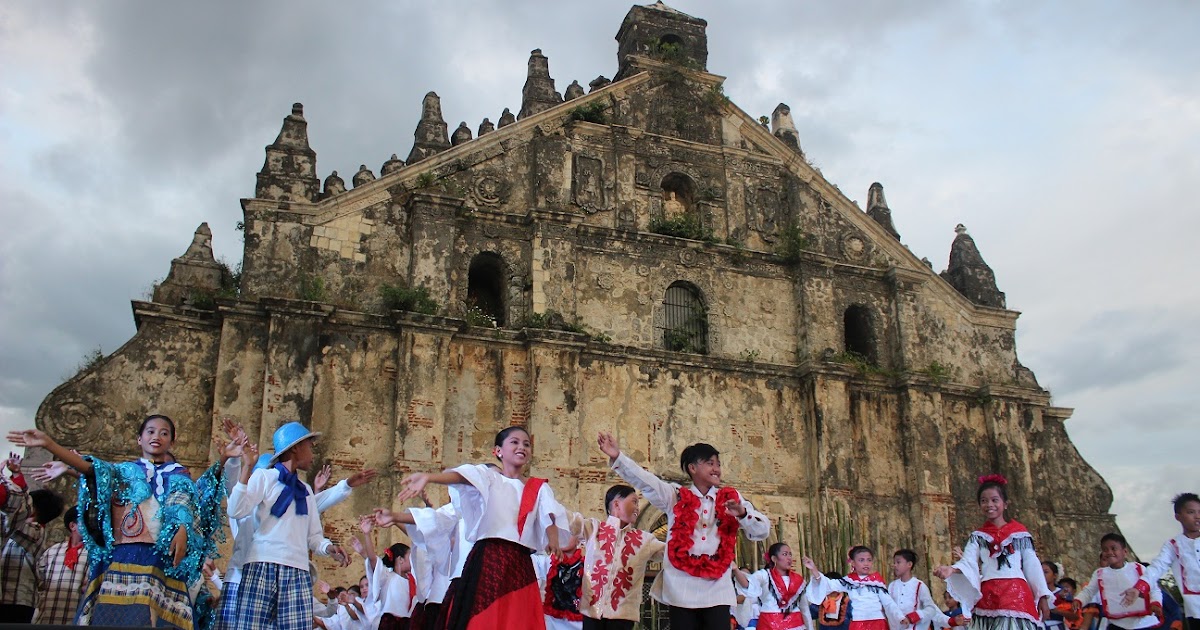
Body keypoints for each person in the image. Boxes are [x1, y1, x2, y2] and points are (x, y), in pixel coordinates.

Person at [8, 416, 228, 629]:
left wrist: (223, 461)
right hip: (125, 554)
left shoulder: (179, 474)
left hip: (164, 560)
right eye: (150, 431)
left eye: (164, 433)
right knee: (119, 615)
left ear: (172, 441)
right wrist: (50, 444)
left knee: (157, 617)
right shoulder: (124, 471)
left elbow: (191, 504)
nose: (157, 436)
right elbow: (92, 470)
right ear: (139, 439)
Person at [396, 426, 570, 630]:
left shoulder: (539, 487)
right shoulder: (489, 477)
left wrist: (554, 540)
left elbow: (549, 515)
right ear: (498, 451)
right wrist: (429, 477)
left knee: (517, 619)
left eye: (526, 444)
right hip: (489, 557)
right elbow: (463, 477)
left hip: (520, 562)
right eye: (514, 442)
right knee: (482, 618)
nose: (521, 447)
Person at [599, 431, 770, 629]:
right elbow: (646, 481)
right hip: (681, 590)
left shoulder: (730, 498)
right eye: (710, 463)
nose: (716, 469)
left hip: (718, 591)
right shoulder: (675, 496)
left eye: (718, 464)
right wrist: (617, 457)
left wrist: (742, 514)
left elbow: (762, 530)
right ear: (693, 468)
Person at [226, 421, 350, 630]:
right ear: (295, 447)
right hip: (261, 564)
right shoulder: (265, 477)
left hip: (297, 571)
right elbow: (235, 510)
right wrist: (247, 466)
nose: (312, 452)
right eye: (309, 446)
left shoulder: (306, 491)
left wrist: (328, 548)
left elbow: (313, 537)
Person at [933, 474, 1053, 630]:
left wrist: (1042, 596)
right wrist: (951, 569)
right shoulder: (978, 536)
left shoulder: (1019, 534)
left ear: (1005, 504)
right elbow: (968, 561)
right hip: (989, 595)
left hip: (1016, 594)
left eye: (994, 500)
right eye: (984, 501)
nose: (989, 504)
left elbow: (1032, 565)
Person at [558, 483, 665, 630]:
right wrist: (542, 498)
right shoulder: (593, 529)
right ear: (616, 504)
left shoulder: (645, 540)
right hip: (592, 613)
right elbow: (567, 519)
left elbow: (673, 554)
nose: (637, 508)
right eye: (634, 501)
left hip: (623, 617)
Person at [1, 452, 65, 623]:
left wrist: (9, 480)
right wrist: (16, 475)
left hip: (17, 600)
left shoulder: (36, 531)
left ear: (33, 509)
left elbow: (14, 512)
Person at [804, 546, 906, 630]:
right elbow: (828, 584)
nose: (866, 563)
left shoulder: (877, 582)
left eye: (869, 560)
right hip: (858, 623)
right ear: (853, 563)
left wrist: (900, 617)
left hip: (878, 623)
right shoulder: (848, 581)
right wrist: (814, 569)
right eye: (861, 560)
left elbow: (888, 603)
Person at [1078, 533, 1164, 630]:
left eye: (1113, 548)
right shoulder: (1100, 574)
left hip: (1142, 624)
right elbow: (1089, 591)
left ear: (1124, 552)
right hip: (1116, 624)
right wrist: (1079, 600)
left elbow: (1154, 589)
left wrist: (1156, 603)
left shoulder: (1138, 568)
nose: (1109, 552)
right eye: (1105, 550)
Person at [1144, 493, 1200, 630]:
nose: (1197, 516)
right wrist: (1140, 585)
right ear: (1178, 517)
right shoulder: (1173, 545)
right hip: (1196, 611)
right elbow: (1157, 567)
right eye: (1191, 512)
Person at [31, 505, 89, 624]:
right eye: (86, 521)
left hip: (75, 618)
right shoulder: (52, 551)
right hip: (47, 616)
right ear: (73, 526)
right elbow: (38, 580)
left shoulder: (92, 554)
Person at [356, 516, 414, 630]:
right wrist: (367, 534)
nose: (413, 560)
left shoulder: (413, 579)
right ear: (400, 559)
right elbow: (373, 560)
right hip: (389, 624)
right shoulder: (387, 576)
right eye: (410, 557)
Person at [739, 542, 809, 630]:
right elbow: (747, 584)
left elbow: (804, 607)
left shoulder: (798, 580)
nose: (789, 558)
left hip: (795, 624)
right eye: (785, 554)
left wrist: (810, 627)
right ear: (774, 558)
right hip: (769, 623)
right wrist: (735, 570)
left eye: (790, 554)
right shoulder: (764, 575)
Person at [889, 548, 953, 630]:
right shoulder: (892, 586)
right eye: (894, 563)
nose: (895, 565)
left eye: (898, 562)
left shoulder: (919, 585)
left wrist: (916, 616)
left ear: (909, 564)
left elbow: (931, 609)